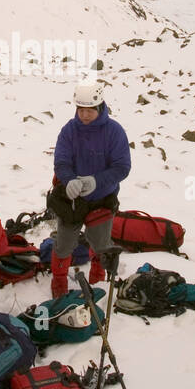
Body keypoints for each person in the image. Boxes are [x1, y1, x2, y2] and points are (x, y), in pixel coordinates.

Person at [45, 82, 132, 299]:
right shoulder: (69, 130)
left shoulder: (115, 132)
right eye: (80, 109)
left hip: (102, 198)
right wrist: (69, 180)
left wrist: (96, 181)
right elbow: (61, 161)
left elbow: (122, 167)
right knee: (64, 244)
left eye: (89, 110)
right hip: (72, 200)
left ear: (100, 107)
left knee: (101, 243)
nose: (84, 115)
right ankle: (59, 281)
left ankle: (96, 277)